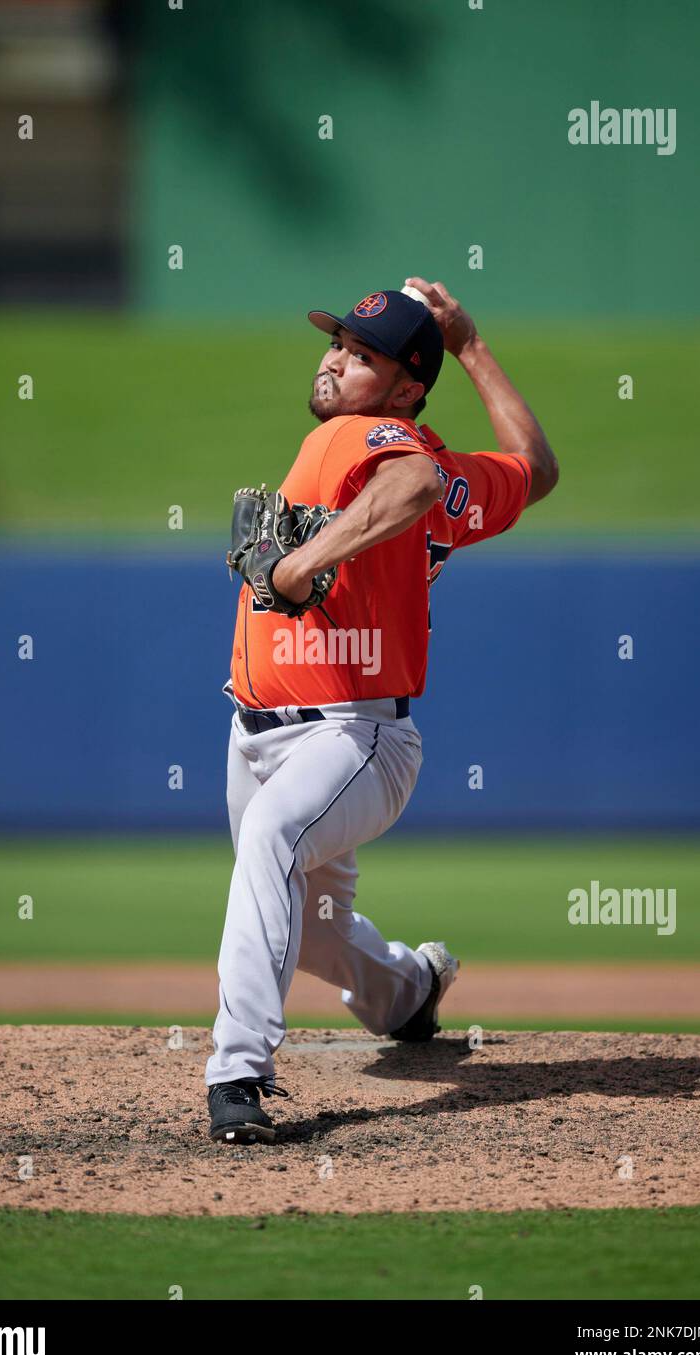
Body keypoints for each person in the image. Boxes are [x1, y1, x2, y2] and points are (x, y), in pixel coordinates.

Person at [207, 278, 558, 1143]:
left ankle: (237, 1074)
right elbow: (535, 472)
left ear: (405, 388)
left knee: (269, 843)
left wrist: (297, 566)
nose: (336, 360)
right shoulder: (391, 449)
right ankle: (410, 991)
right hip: (259, 731)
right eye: (337, 343)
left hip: (353, 735)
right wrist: (471, 344)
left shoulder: (379, 439)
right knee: (317, 933)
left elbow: (410, 481)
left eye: (363, 356)